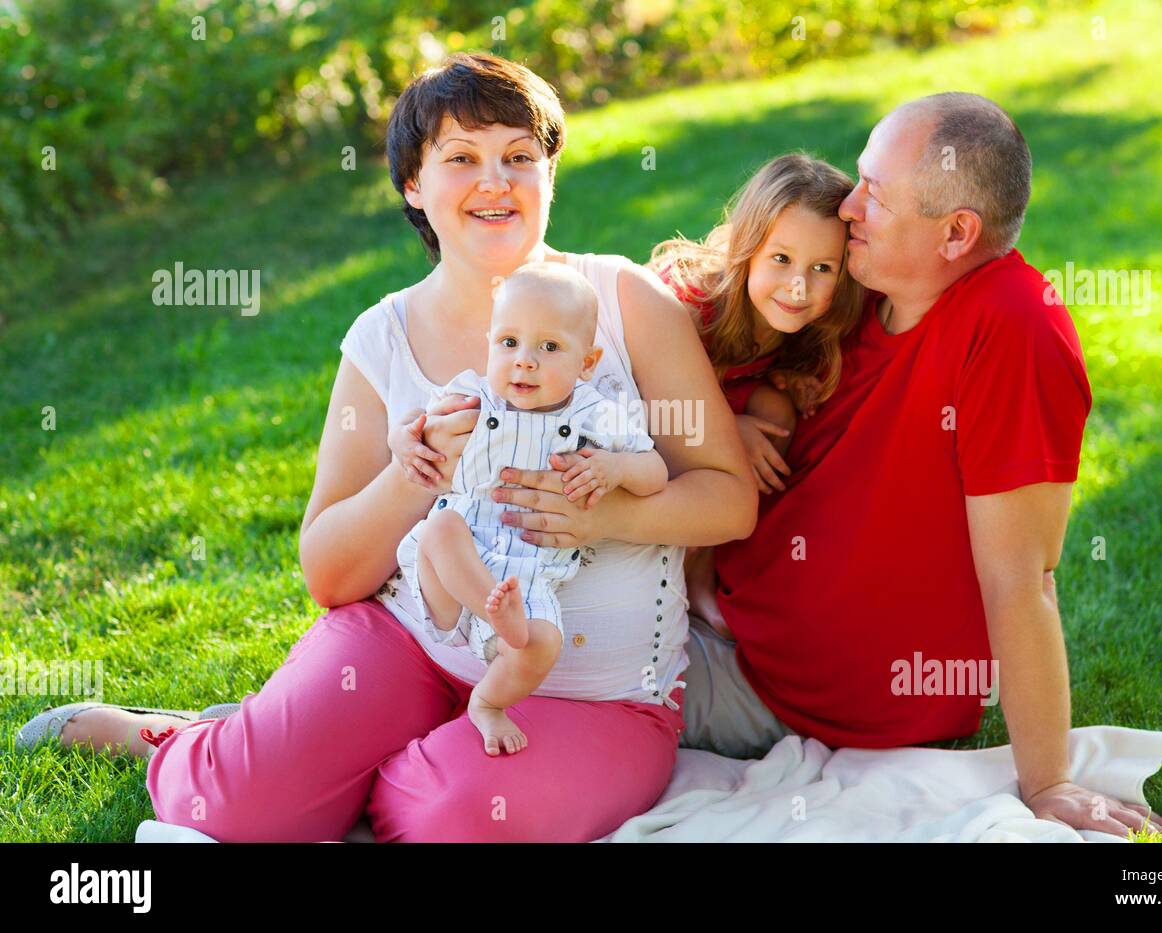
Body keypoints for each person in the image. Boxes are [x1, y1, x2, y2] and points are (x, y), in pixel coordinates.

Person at [25, 52, 755, 843]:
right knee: (233, 807)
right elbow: (331, 573)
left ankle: (344, 756)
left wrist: (602, 516)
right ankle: (196, 741)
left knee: (450, 817)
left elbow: (730, 497)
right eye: (461, 159)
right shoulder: (382, 340)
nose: (495, 180)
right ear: (414, 184)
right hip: (409, 644)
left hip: (595, 687)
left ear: (550, 175)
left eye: (519, 157)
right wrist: (416, 477)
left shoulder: (622, 303)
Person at [677, 92, 1162, 838]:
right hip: (707, 607)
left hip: (762, 681)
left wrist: (1049, 783)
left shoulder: (1011, 328)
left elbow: (1022, 578)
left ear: (956, 233)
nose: (848, 205)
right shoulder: (848, 287)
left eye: (874, 192)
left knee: (518, 682)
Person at [391, 261, 667, 756]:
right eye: (509, 343)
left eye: (549, 347)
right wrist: (404, 444)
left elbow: (654, 472)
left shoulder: (596, 414)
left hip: (528, 582)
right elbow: (411, 424)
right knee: (441, 527)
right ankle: (484, 606)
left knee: (543, 644)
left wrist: (616, 469)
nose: (525, 362)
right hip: (457, 568)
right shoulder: (474, 396)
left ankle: (488, 702)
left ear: (587, 362)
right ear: (490, 343)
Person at [650, 152, 864, 635]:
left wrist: (787, 382)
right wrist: (727, 434)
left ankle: (702, 575)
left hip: (714, 416)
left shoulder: (811, 326)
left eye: (823, 268)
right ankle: (661, 579)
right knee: (747, 426)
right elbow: (646, 405)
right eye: (782, 259)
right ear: (747, 249)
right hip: (647, 423)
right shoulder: (689, 306)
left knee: (774, 410)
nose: (797, 286)